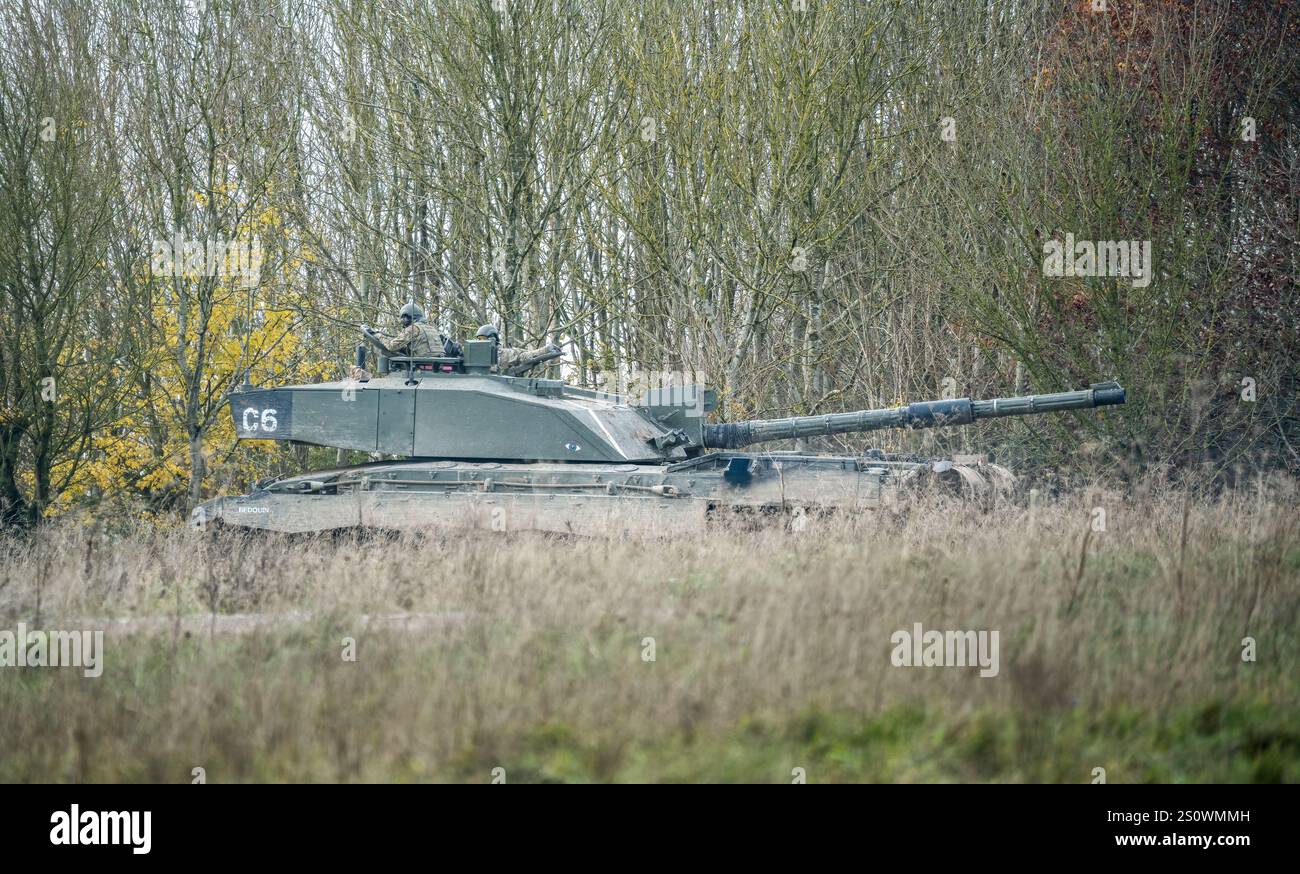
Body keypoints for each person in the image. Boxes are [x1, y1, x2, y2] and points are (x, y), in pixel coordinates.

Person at [349, 303, 443, 381]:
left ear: (407, 317)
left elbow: (391, 346)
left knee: (386, 351)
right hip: (436, 362)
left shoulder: (413, 328)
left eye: (403, 318)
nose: (402, 321)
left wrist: (378, 335)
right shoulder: (430, 328)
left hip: (420, 363)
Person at [475, 325, 560, 374]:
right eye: (479, 339)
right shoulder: (474, 356)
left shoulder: (504, 354)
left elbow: (525, 356)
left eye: (483, 338)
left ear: (493, 338)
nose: (480, 341)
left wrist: (546, 349)